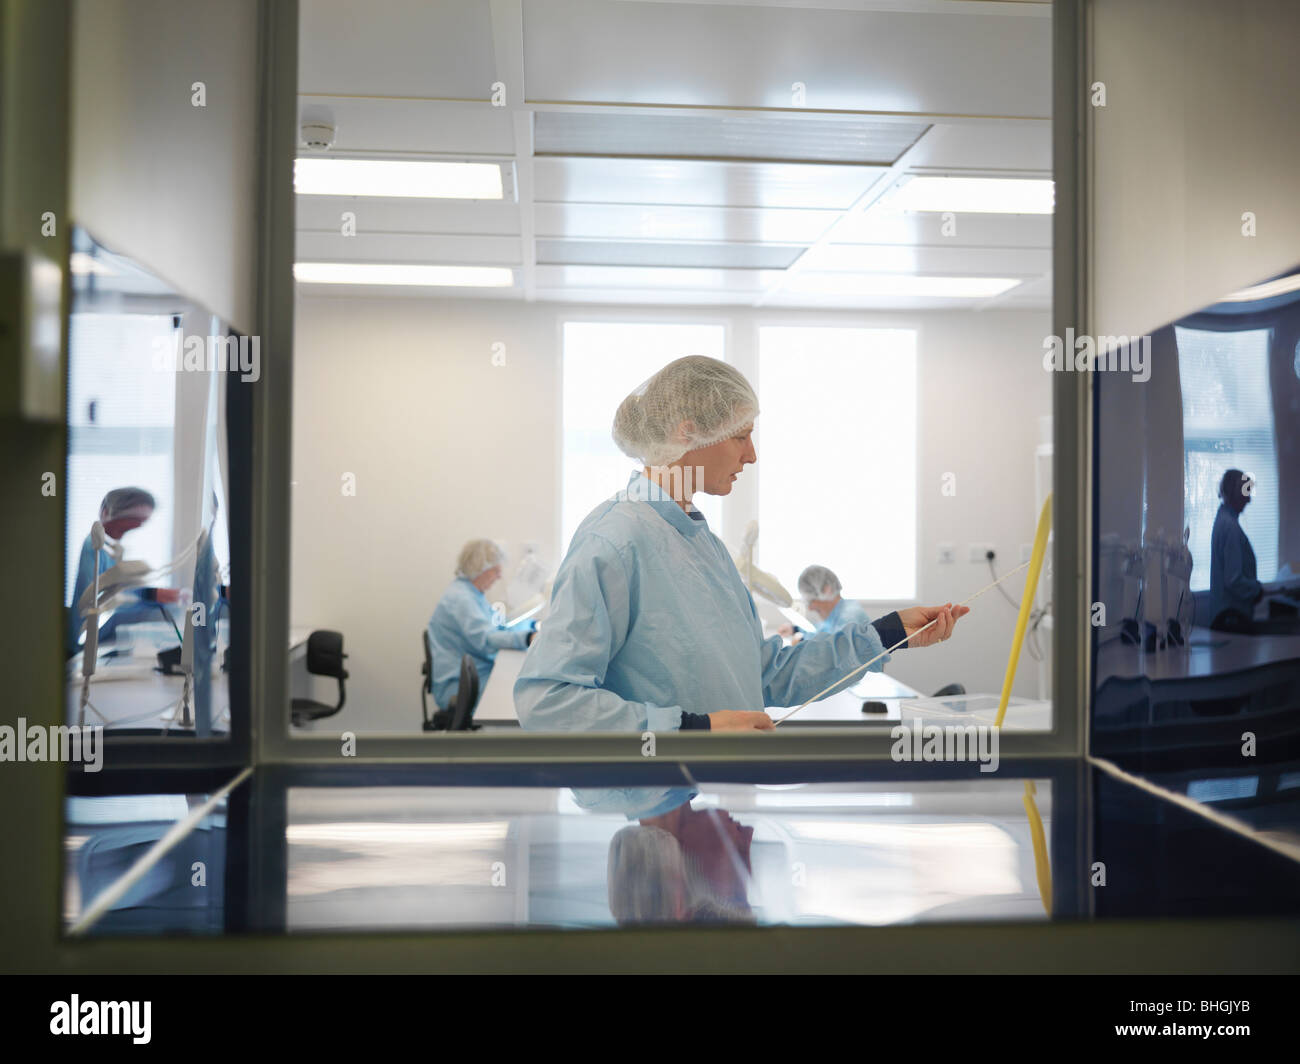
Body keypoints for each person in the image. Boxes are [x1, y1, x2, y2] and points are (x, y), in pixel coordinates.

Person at [515, 355, 967, 733]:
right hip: (653, 814)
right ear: (687, 433)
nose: (751, 455)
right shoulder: (614, 540)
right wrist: (697, 728)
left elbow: (764, 673)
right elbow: (549, 699)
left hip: (717, 801)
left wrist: (889, 634)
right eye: (740, 435)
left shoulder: (702, 544)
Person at [427, 538, 538, 712]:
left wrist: (532, 626)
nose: (499, 576)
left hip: (475, 674)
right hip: (460, 685)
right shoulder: (461, 599)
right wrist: (528, 637)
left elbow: (499, 626)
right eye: (496, 570)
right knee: (525, 694)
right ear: (481, 569)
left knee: (523, 686)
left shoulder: (472, 594)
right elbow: (487, 640)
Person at [66, 487, 177, 656]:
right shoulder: (95, 546)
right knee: (156, 615)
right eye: (132, 520)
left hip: (104, 635)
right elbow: (92, 600)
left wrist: (152, 595)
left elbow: (119, 588)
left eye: (141, 522)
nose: (137, 525)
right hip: (86, 639)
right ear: (106, 512)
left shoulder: (113, 549)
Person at [1209, 469, 1262, 627]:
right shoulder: (1230, 527)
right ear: (1235, 494)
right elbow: (1234, 581)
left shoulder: (1222, 520)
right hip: (1232, 617)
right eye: (1246, 494)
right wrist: (1257, 589)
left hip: (1225, 615)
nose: (1249, 500)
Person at [777, 564, 870, 642]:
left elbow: (831, 652)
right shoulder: (835, 615)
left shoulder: (850, 619)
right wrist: (794, 629)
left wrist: (801, 645)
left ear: (826, 590)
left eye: (811, 601)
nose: (810, 608)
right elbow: (820, 632)